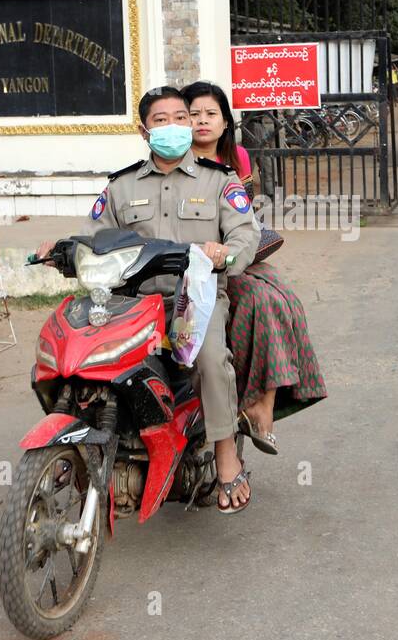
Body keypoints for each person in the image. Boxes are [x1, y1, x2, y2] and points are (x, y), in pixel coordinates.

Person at [37, 87, 260, 513]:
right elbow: (95, 236)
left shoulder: (219, 180)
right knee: (73, 349)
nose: (175, 126)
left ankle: (227, 456)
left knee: (210, 358)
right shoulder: (120, 186)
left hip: (193, 299)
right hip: (129, 301)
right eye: (162, 120)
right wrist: (63, 250)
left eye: (182, 117)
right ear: (144, 130)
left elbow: (244, 234)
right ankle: (70, 438)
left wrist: (225, 252)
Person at [181, 80, 327, 455]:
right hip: (191, 264)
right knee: (258, 302)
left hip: (235, 257)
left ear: (225, 122)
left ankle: (266, 404)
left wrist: (235, 249)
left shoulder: (237, 159)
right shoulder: (173, 163)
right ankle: (251, 405)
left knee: (284, 300)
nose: (202, 121)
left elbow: (244, 220)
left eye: (210, 114)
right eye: (193, 114)